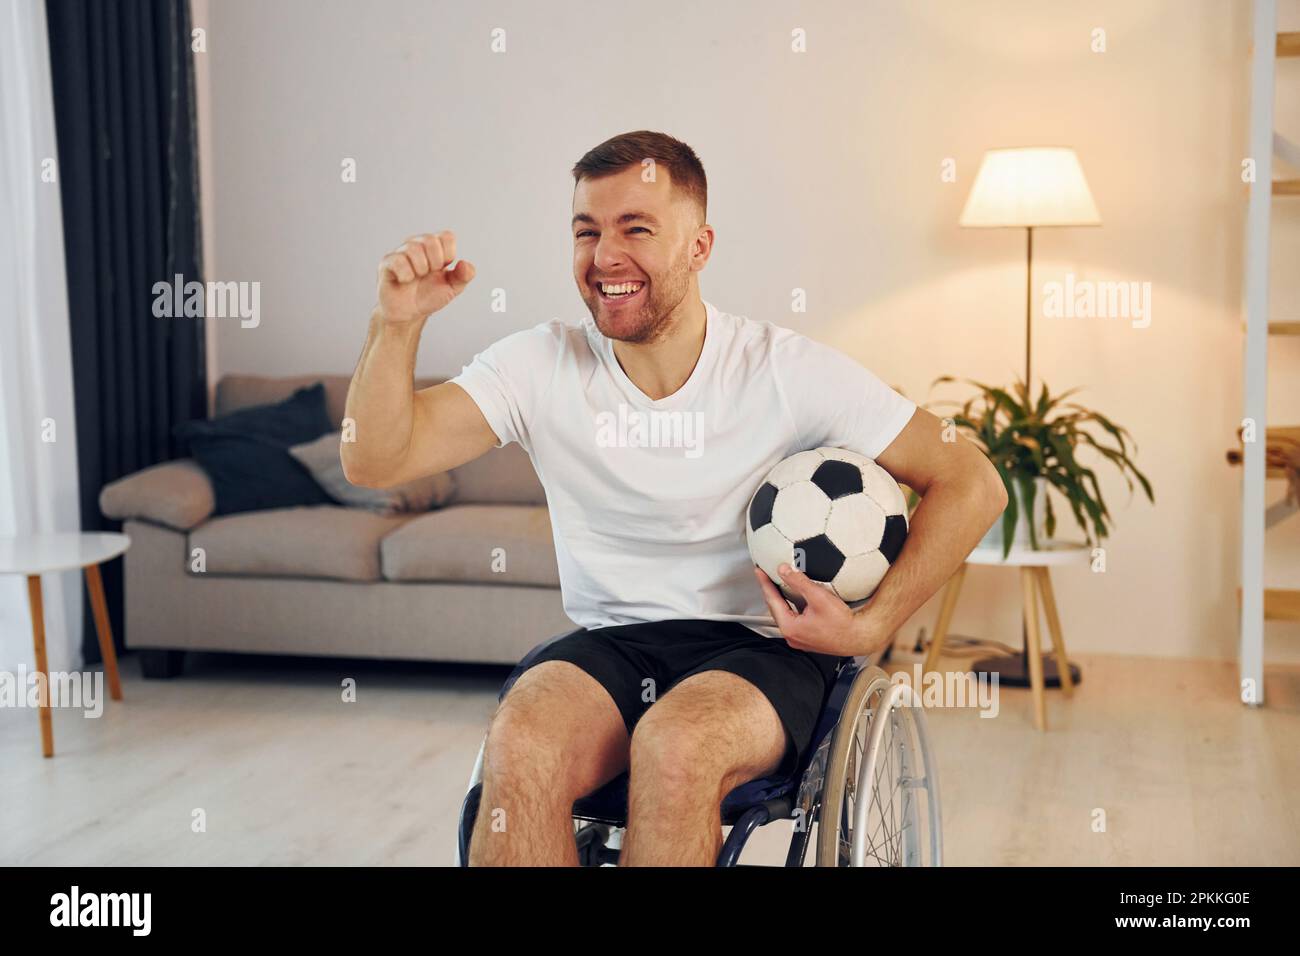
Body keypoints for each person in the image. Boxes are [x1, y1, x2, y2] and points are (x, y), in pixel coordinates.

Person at [342, 130, 1006, 866]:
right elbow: (376, 460)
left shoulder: (787, 372)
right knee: (523, 739)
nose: (605, 256)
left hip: (763, 648)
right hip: (611, 644)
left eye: (636, 229)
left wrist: (871, 623)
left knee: (676, 743)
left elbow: (972, 480)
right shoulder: (539, 364)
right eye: (586, 231)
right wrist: (395, 325)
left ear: (699, 247)